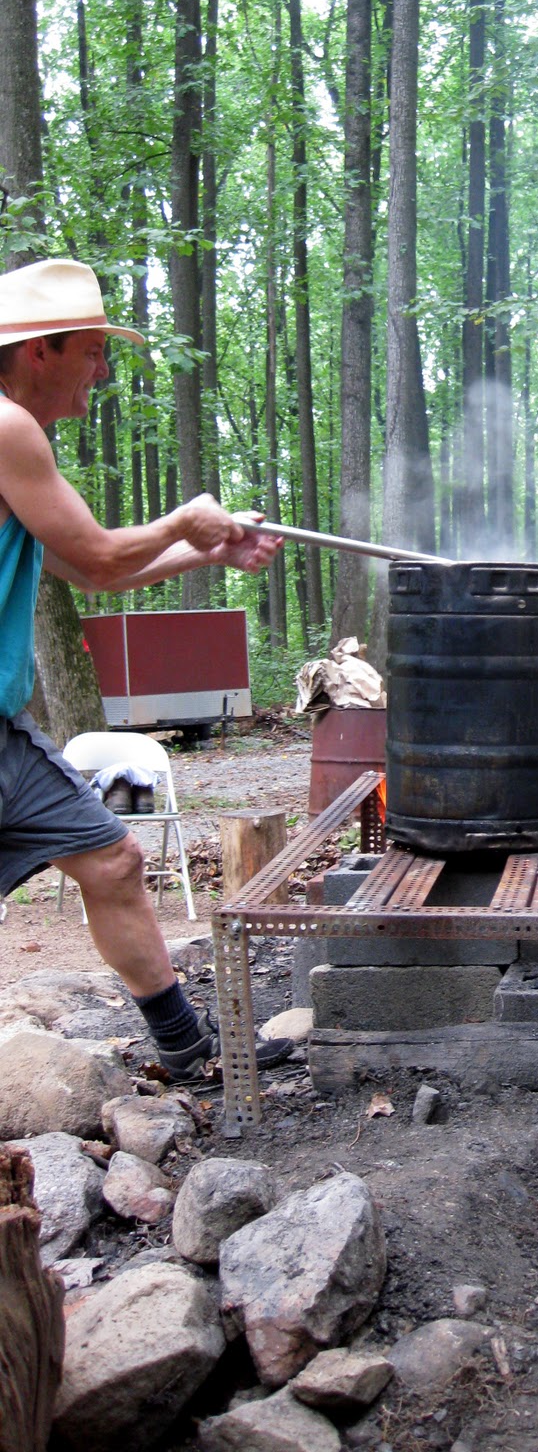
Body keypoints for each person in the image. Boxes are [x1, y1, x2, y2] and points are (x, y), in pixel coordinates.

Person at [0, 257, 290, 1081]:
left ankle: (185, 1044)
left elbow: (91, 573)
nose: (103, 370)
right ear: (38, 352)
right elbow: (96, 550)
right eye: (92, 351)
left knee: (113, 861)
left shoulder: (20, 441)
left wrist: (210, 551)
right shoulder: (8, 428)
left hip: (6, 735)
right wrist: (186, 517)